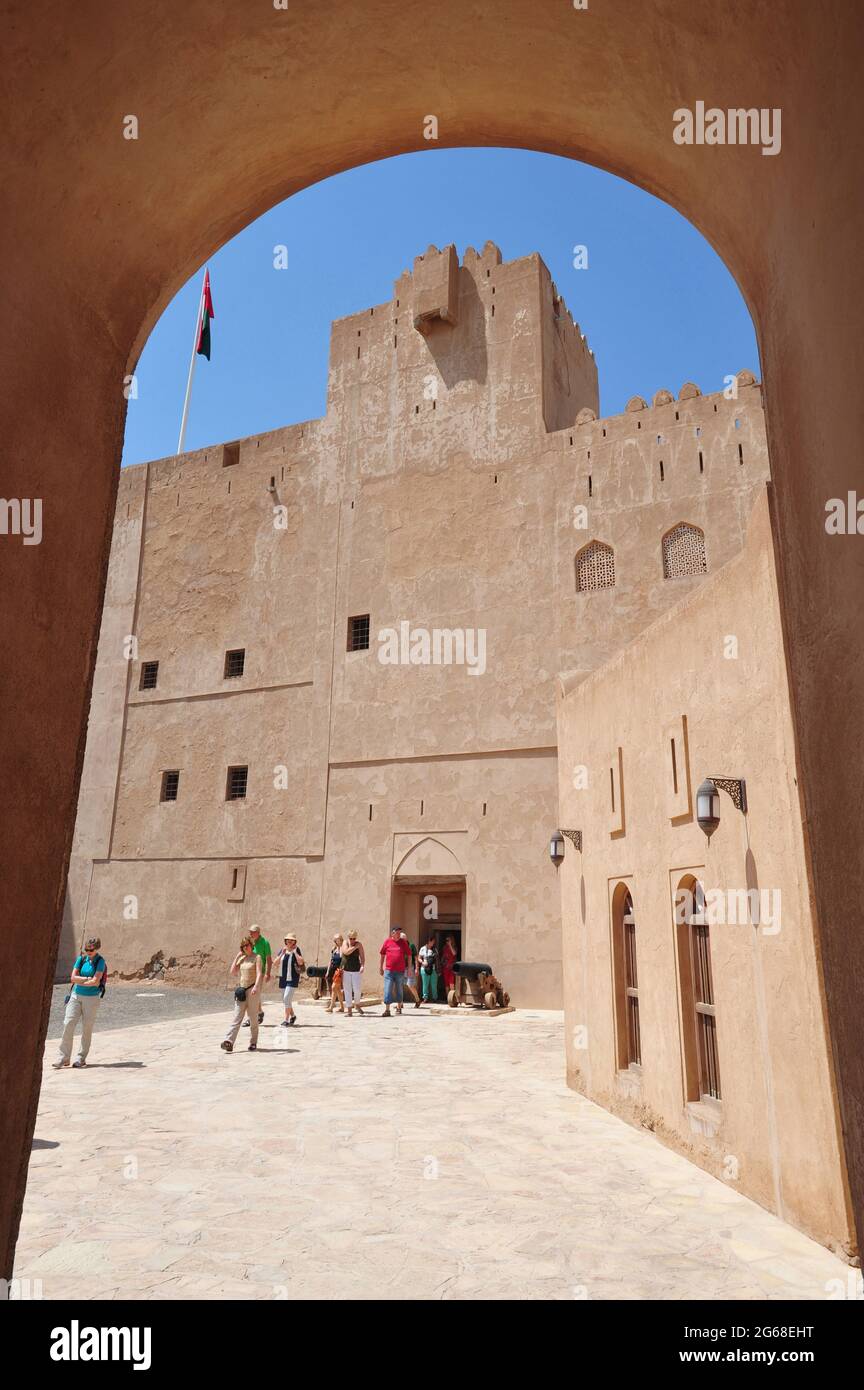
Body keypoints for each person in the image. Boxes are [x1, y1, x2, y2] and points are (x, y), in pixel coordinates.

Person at [53, 936, 107, 1069]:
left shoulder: (100, 961)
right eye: (86, 948)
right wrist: (87, 979)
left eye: (91, 949)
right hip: (76, 995)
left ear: (97, 948)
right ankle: (63, 1057)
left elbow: (96, 981)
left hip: (92, 998)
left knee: (86, 1028)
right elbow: (72, 978)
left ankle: (81, 1058)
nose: (88, 951)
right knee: (68, 1023)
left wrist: (81, 980)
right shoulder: (81, 959)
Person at [223, 936, 262, 1052]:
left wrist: (256, 986)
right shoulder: (243, 958)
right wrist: (237, 957)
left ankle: (253, 1042)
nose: (246, 947)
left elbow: (259, 973)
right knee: (237, 1016)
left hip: (252, 990)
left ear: (251, 945)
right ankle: (229, 1041)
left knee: (253, 1017)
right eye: (243, 946)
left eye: (247, 945)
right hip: (242, 990)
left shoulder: (257, 957)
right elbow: (233, 972)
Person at [379, 925, 410, 1016]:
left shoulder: (403, 942)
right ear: (392, 933)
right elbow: (382, 954)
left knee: (399, 989)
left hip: (400, 971)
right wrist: (381, 967)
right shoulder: (387, 942)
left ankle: (399, 1007)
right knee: (387, 989)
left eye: (399, 932)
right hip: (389, 970)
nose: (399, 934)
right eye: (397, 932)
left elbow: (409, 954)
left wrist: (409, 969)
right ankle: (387, 1010)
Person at [244, 924, 272, 1026]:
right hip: (249, 972)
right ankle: (259, 1012)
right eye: (250, 932)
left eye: (252, 932)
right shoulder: (249, 942)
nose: (250, 934)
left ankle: (251, 1018)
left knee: (253, 994)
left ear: (258, 933)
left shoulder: (265, 943)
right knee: (249, 994)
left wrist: (268, 973)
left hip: (260, 972)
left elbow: (269, 959)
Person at [275, 933, 305, 1026]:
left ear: (294, 942)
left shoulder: (297, 950)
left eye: (292, 940)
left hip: (292, 978)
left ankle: (286, 1020)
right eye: (288, 940)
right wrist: (281, 954)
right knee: (285, 1000)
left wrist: (295, 952)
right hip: (283, 977)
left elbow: (301, 962)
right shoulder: (282, 950)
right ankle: (293, 1016)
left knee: (287, 998)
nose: (289, 942)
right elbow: (275, 963)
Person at [340, 931, 365, 1015]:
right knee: (347, 990)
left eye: (354, 938)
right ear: (348, 938)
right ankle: (349, 1009)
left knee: (357, 989)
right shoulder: (345, 942)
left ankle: (357, 1004)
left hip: (356, 970)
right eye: (351, 938)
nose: (352, 940)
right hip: (346, 969)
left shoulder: (359, 944)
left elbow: (362, 956)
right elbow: (346, 952)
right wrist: (355, 947)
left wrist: (362, 965)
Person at [325, 935, 344, 1013]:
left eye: (338, 939)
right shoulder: (334, 949)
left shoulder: (342, 948)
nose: (336, 941)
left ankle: (331, 1006)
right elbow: (330, 960)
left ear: (341, 939)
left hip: (339, 971)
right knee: (338, 990)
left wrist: (340, 948)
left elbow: (342, 958)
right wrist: (327, 971)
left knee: (333, 987)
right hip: (333, 970)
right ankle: (342, 1007)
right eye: (335, 940)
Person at [402, 933, 421, 1008]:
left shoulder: (411, 946)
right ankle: (400, 1003)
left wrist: (417, 968)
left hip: (410, 968)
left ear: (406, 939)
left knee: (410, 985)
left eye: (403, 939)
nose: (402, 940)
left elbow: (416, 958)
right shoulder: (400, 946)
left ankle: (417, 1000)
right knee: (399, 985)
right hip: (401, 968)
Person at [418, 935, 439, 1003]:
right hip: (424, 968)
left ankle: (434, 998)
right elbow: (419, 958)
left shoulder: (435, 949)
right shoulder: (423, 949)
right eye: (432, 941)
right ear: (429, 941)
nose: (433, 943)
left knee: (434, 984)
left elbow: (437, 960)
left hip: (433, 969)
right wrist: (423, 962)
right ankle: (425, 998)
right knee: (425, 984)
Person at [441, 934, 457, 999]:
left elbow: (454, 953)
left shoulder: (454, 947)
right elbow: (443, 957)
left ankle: (453, 998)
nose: (447, 941)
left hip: (452, 968)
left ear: (451, 940)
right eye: (446, 940)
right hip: (446, 968)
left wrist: (450, 945)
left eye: (448, 940)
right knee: (446, 984)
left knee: (451, 983)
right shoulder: (444, 948)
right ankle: (448, 998)